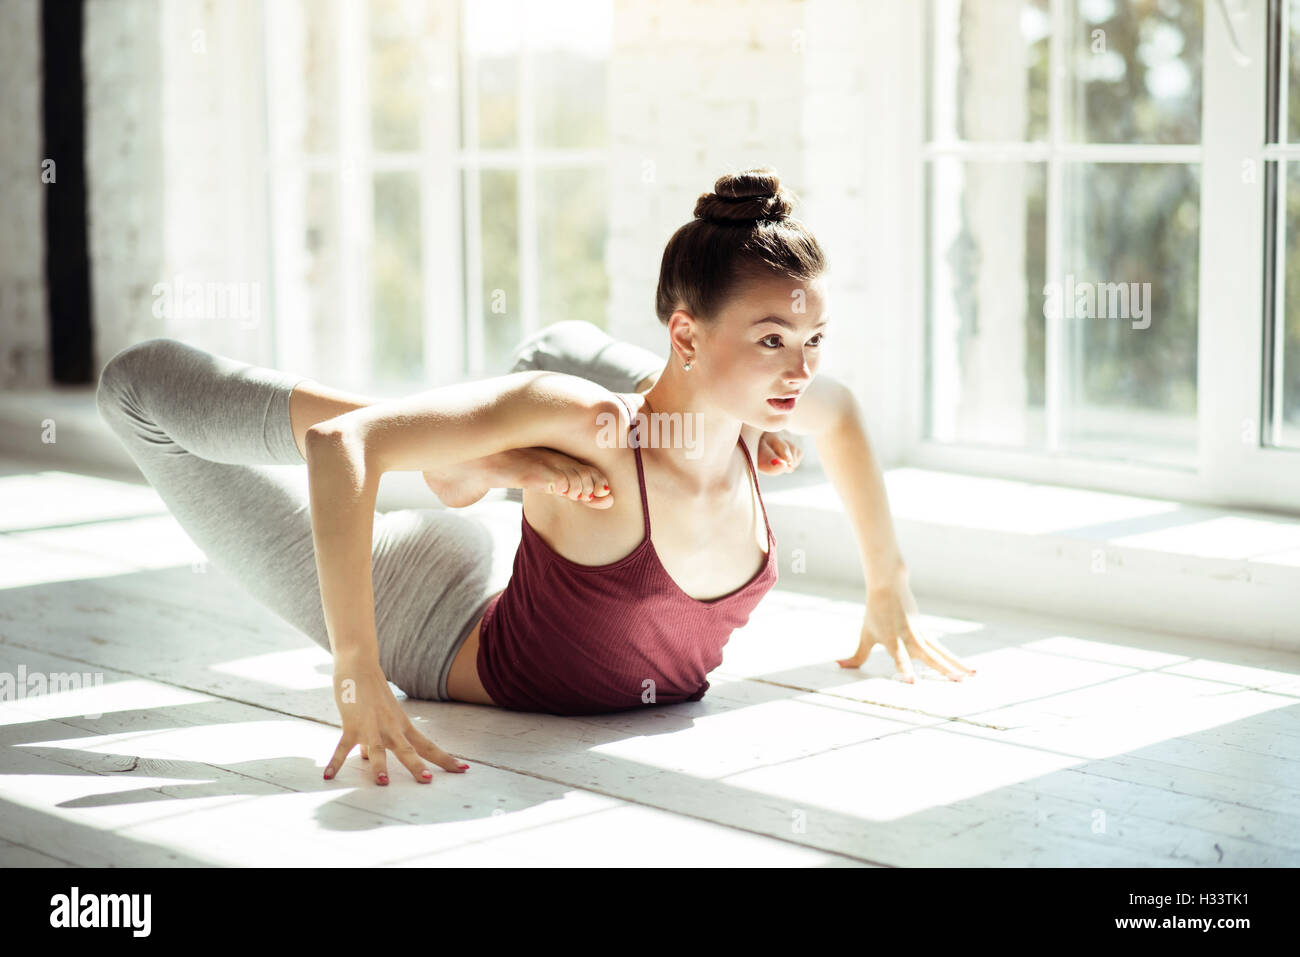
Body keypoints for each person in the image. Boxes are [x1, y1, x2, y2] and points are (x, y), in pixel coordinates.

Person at [96, 166, 974, 788]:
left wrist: (887, 583)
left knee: (572, 383)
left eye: (813, 339)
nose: (802, 370)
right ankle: (464, 453)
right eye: (773, 339)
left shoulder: (774, 416)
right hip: (433, 618)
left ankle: (469, 453)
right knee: (135, 386)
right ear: (684, 334)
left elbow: (847, 416)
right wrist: (359, 671)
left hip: (575, 479)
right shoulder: (592, 430)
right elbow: (340, 449)